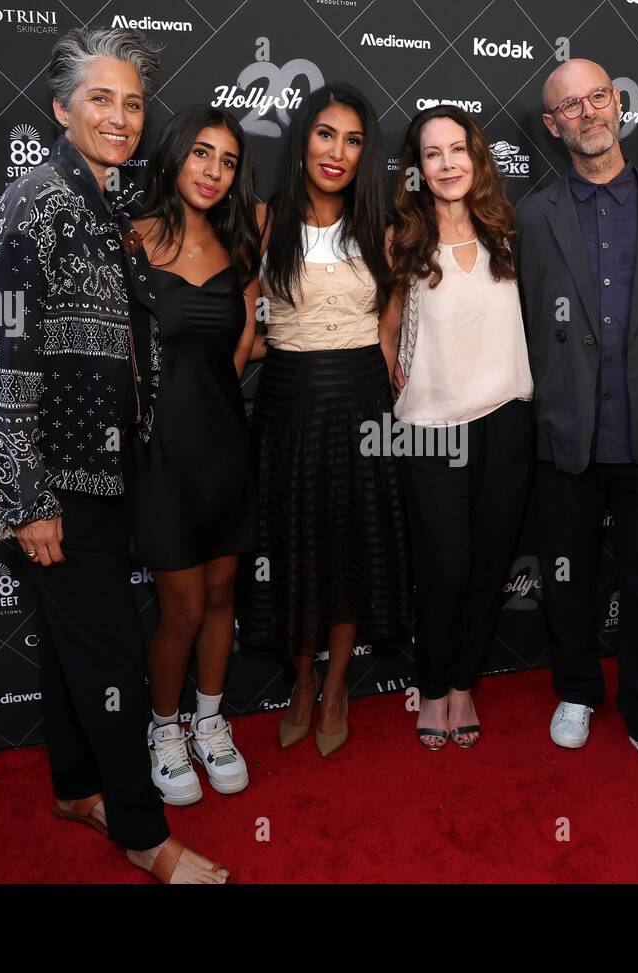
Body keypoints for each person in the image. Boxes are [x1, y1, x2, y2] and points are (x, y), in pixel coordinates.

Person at [0, 26, 229, 883]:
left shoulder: (105, 202)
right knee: (112, 657)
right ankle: (146, 835)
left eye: (133, 102)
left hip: (108, 476)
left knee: (70, 648)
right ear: (61, 110)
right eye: (101, 100)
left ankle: (76, 788)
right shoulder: (33, 204)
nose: (120, 116)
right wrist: (27, 498)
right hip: (58, 488)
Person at [514, 58, 638, 790]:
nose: (588, 112)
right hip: (567, 431)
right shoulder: (532, 216)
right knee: (568, 573)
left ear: (618, 105)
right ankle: (576, 688)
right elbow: (529, 322)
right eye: (570, 105)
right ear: (553, 125)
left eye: (598, 97)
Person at [236, 83, 413, 757]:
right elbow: (247, 330)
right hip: (287, 405)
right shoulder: (263, 222)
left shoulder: (384, 229)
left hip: (365, 404)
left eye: (353, 140)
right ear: (303, 140)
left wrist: (399, 374)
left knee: (350, 546)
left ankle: (338, 682)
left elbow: (391, 324)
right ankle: (301, 679)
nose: (337, 152)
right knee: (293, 549)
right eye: (325, 135)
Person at [388, 105, 534, 750]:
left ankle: (463, 687)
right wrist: (401, 375)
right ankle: (433, 683)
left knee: (487, 564)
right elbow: (385, 330)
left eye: (457, 149)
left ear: (476, 158)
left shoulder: (508, 231)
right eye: (432, 153)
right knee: (443, 568)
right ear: (416, 168)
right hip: (429, 428)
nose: (447, 164)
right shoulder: (402, 238)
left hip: (507, 417)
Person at [128, 107, 260, 803]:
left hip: (225, 447)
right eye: (202, 154)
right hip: (161, 454)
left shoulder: (240, 252)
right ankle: (165, 727)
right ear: (174, 158)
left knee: (219, 595)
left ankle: (211, 722)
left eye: (228, 160)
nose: (213, 171)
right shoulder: (132, 241)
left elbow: (235, 359)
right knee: (178, 605)